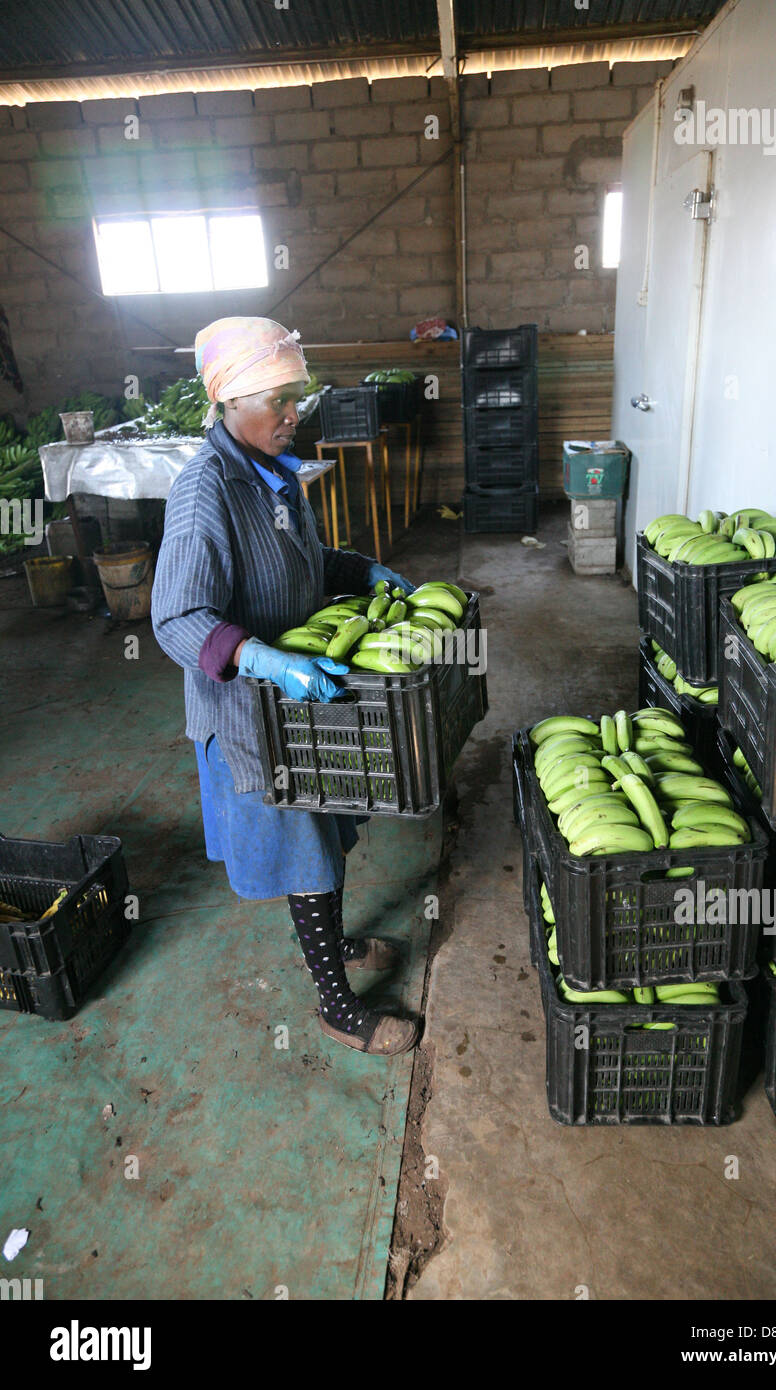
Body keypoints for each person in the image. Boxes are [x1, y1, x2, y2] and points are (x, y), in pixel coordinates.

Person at [151, 316, 418, 1056]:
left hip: (297, 705)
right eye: (276, 400)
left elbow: (301, 558)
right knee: (305, 847)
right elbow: (175, 617)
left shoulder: (275, 470)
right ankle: (337, 1005)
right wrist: (264, 660)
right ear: (230, 403)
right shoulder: (204, 492)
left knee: (327, 831)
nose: (293, 413)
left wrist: (358, 568)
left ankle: (335, 943)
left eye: (295, 396)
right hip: (249, 713)